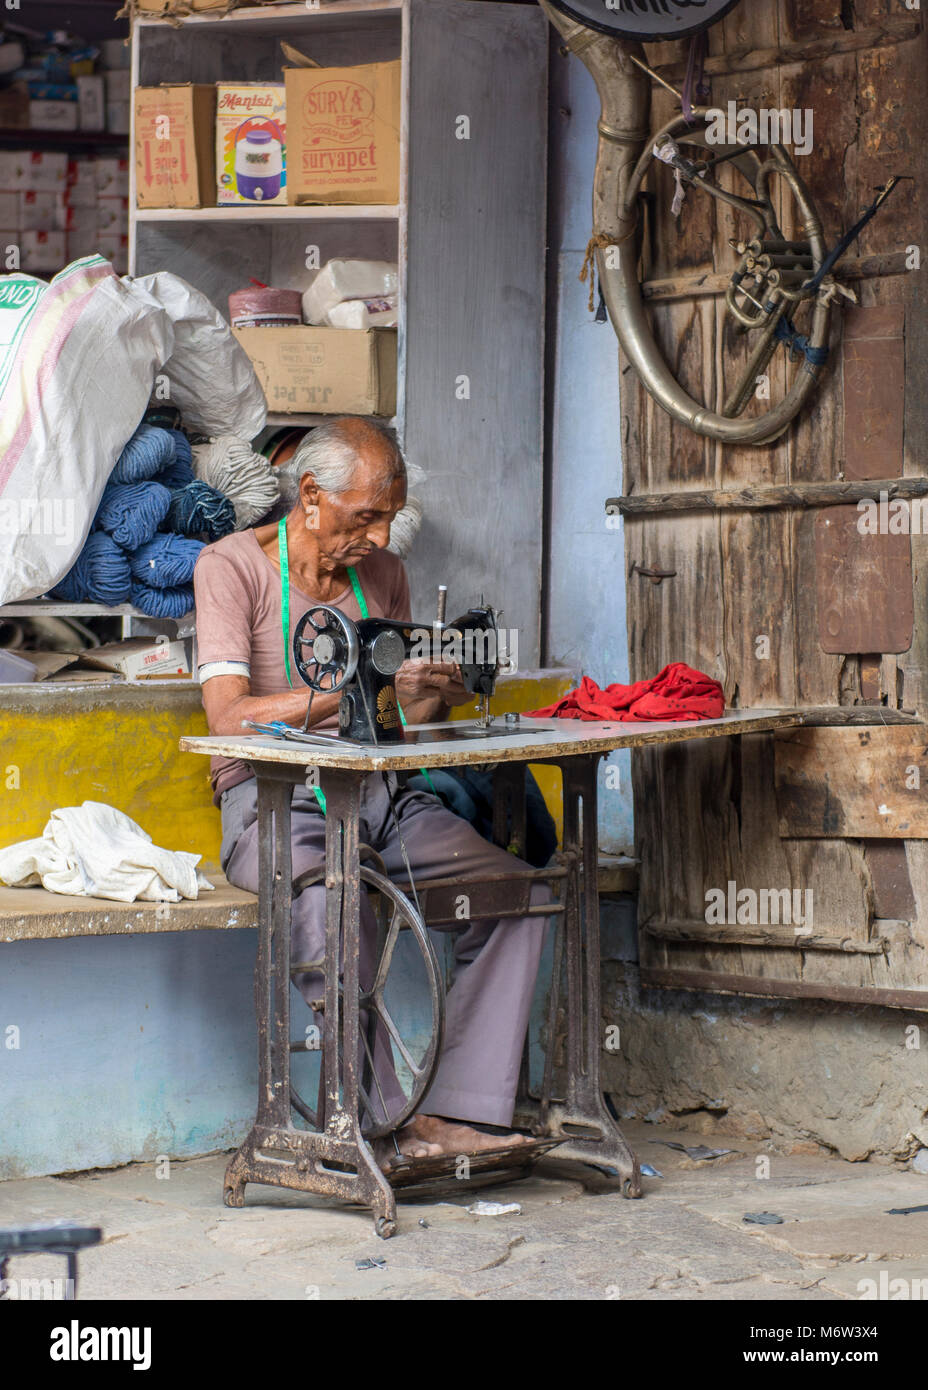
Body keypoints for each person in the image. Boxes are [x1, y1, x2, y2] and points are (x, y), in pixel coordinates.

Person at [193, 417, 551, 1164]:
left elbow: (393, 723)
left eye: (389, 516)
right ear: (313, 496)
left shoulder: (379, 575)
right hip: (278, 804)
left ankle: (464, 1110)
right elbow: (229, 720)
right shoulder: (232, 568)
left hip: (381, 797)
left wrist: (429, 691)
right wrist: (352, 689)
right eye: (367, 517)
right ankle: (381, 1125)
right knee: (336, 902)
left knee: (518, 895)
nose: (383, 537)